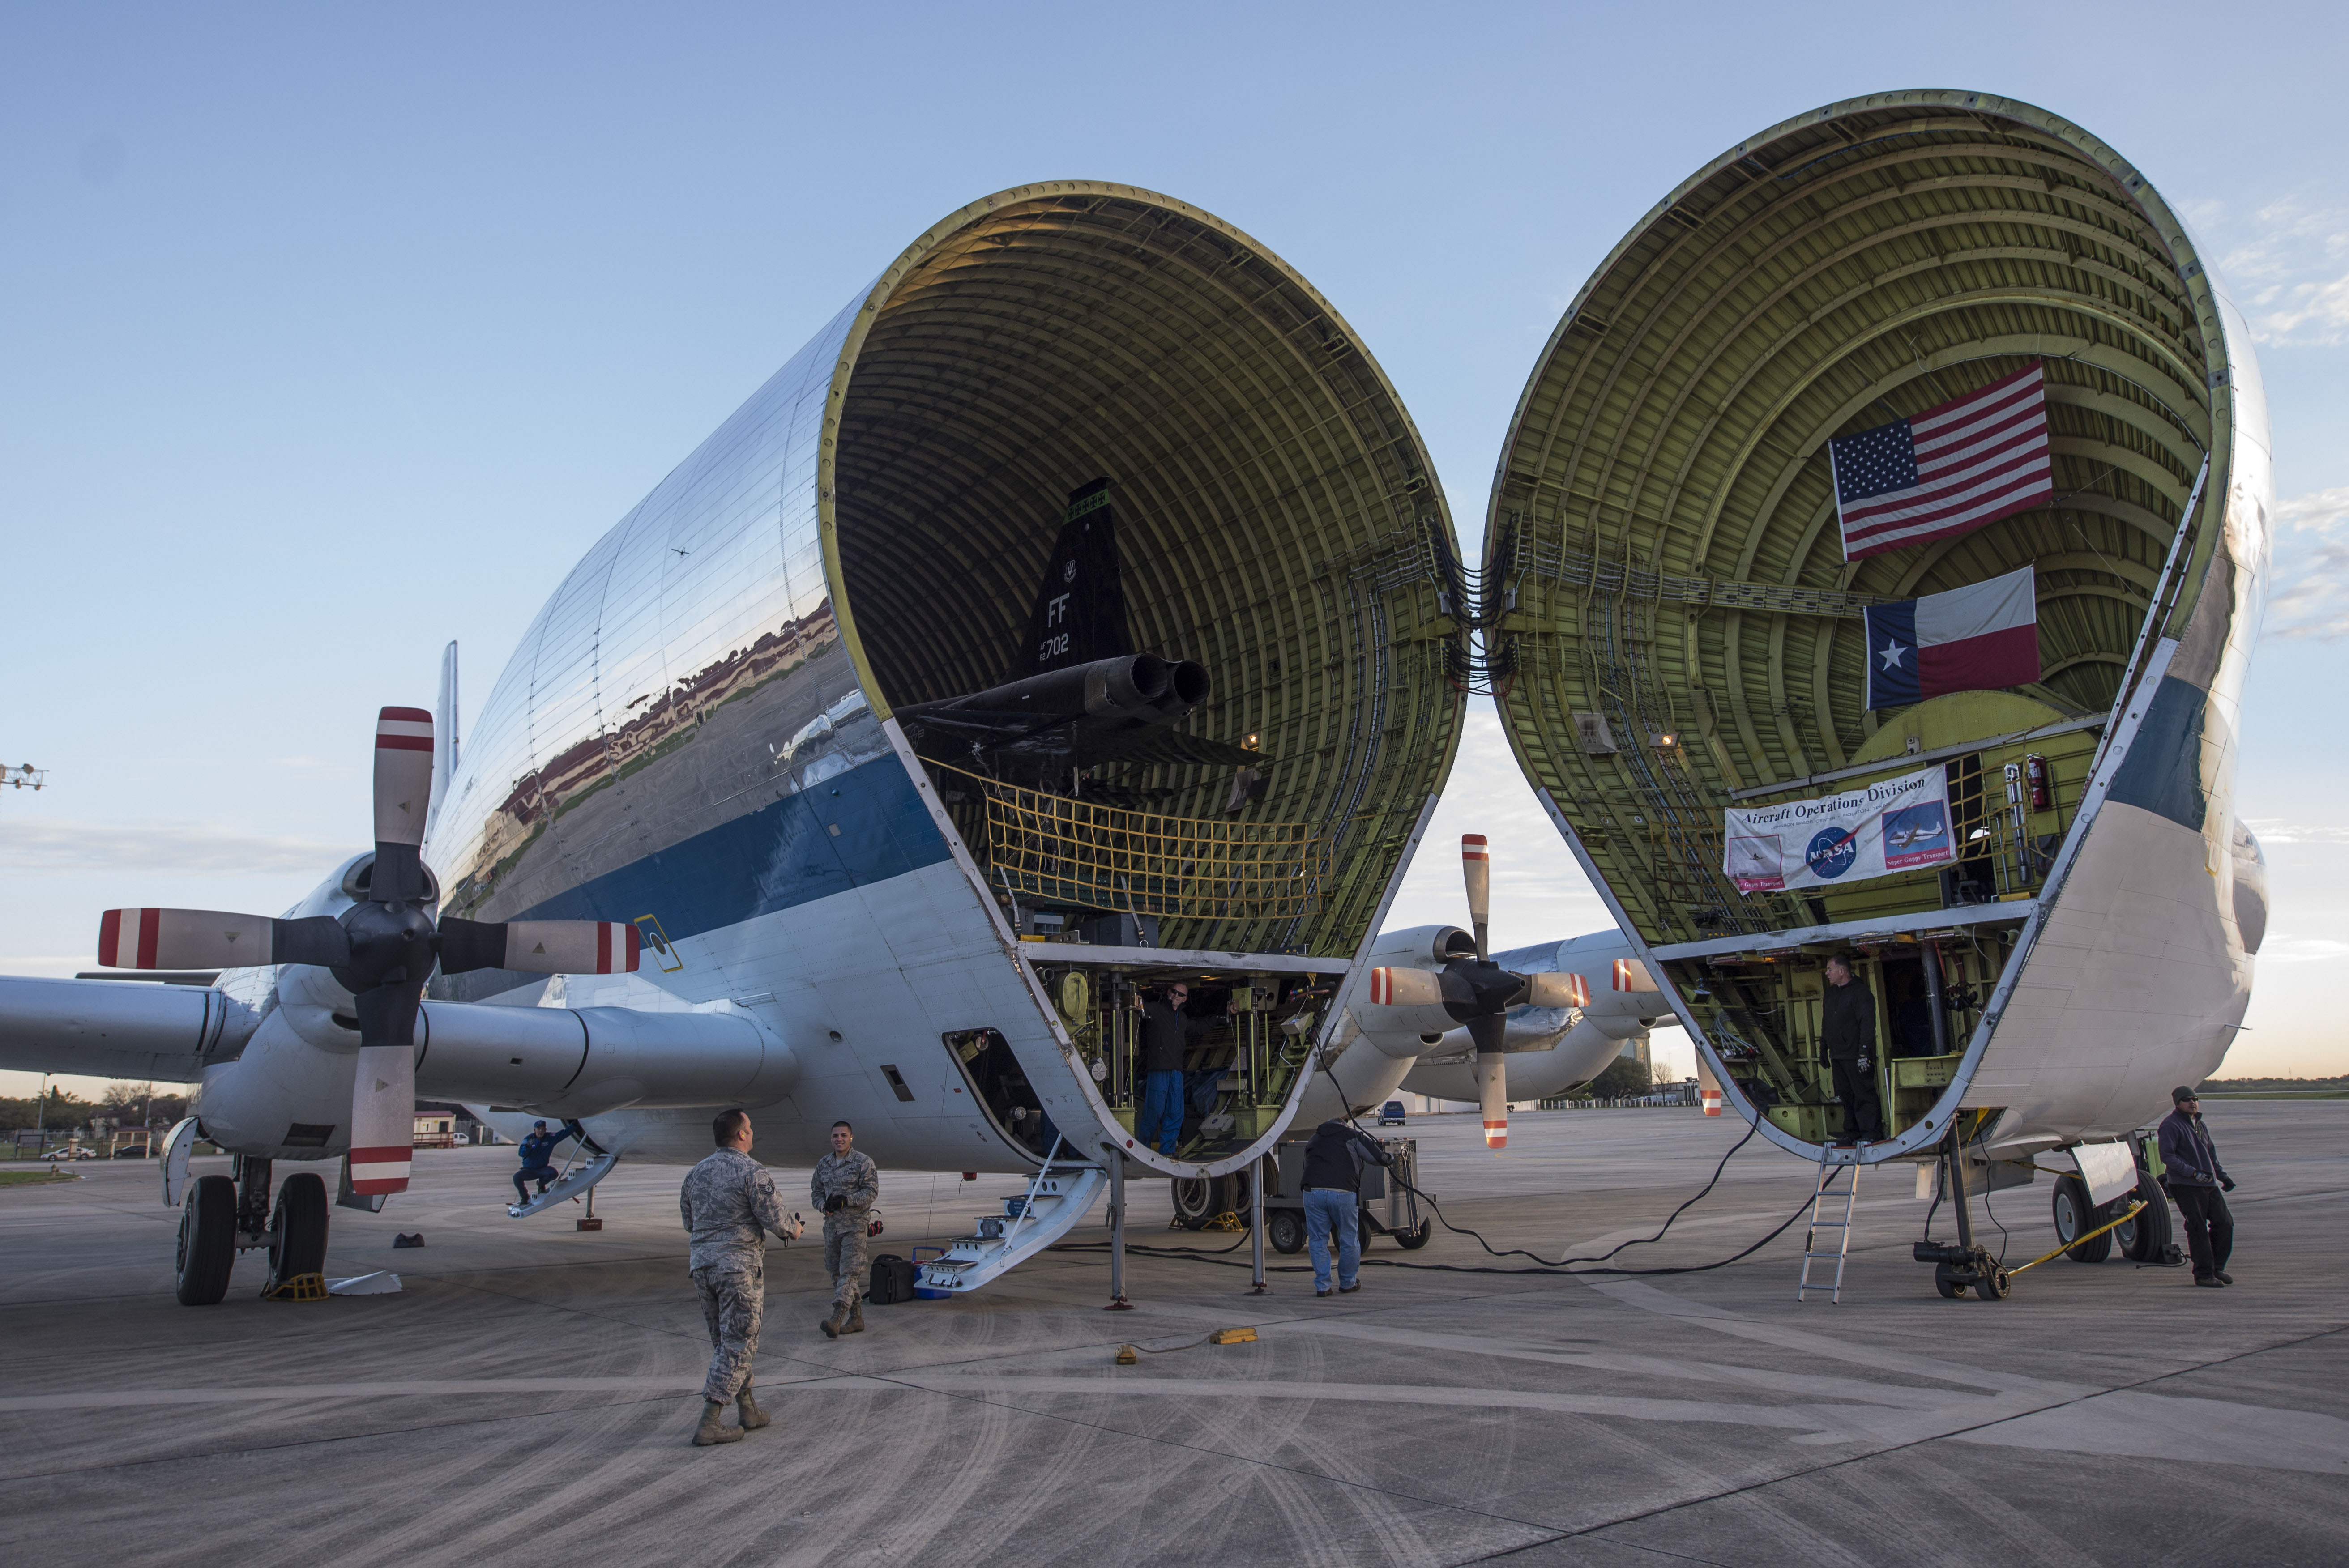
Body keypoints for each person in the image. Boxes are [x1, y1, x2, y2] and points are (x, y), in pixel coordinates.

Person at [678, 1108, 803, 1446]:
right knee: (739, 1342)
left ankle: (747, 1408)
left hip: (703, 1268)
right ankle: (710, 1420)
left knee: (726, 1341)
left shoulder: (696, 1173)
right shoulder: (752, 1171)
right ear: (742, 1135)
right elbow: (777, 1220)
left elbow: (689, 1222)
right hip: (737, 1269)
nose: (752, 1131)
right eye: (750, 1127)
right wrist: (795, 1228)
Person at [1299, 1117, 1395, 1298]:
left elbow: (1306, 1165)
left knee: (1318, 1239)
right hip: (1343, 1191)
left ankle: (1323, 1286)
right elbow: (1376, 1157)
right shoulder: (1352, 1135)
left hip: (1313, 1192)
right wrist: (1391, 1158)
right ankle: (1348, 1282)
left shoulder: (1315, 1138)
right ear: (1344, 1125)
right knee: (1349, 1238)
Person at [1134, 983, 1226, 1156]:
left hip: (1176, 1071)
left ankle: (1167, 1150)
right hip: (1159, 1070)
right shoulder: (1157, 1010)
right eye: (1174, 992)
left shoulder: (1182, 1018)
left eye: (1180, 994)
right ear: (1169, 993)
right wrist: (1136, 996)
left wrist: (1220, 1019)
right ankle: (1142, 1150)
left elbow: (1198, 1028)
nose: (1176, 995)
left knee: (1175, 1112)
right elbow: (1140, 1009)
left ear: (1185, 999)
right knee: (1154, 1110)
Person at [2158, 1086, 2235, 1287]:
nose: (2192, 1102)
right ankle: (2203, 1275)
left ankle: (2217, 1268)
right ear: (2177, 1103)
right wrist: (2192, 1172)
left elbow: (2211, 1155)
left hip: (2208, 1184)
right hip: (2185, 1185)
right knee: (2198, 1228)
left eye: (2195, 1098)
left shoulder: (2200, 1125)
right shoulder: (2170, 1126)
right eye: (2186, 1099)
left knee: (2225, 1223)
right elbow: (2168, 1157)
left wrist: (2223, 1177)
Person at [811, 1120, 880, 1338]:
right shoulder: (824, 1164)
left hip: (855, 1227)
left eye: (843, 1136)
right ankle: (857, 1317)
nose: (839, 1140)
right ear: (831, 1139)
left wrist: (846, 1201)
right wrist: (823, 1206)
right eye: (835, 1136)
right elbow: (816, 1192)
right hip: (832, 1228)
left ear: (851, 1138)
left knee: (849, 1273)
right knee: (835, 1272)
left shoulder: (863, 1162)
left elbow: (872, 1192)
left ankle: (837, 1318)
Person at [1820, 954, 1885, 1143]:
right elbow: (1826, 1023)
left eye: (1830, 969)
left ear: (1842, 971)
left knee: (1863, 1094)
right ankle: (1852, 1132)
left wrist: (1864, 1053)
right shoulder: (1831, 994)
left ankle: (1871, 1133)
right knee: (1846, 1096)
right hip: (1838, 1055)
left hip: (1855, 1055)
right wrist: (1823, 1048)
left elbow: (1867, 1025)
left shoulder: (1861, 993)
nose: (1827, 973)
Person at [510, 1120, 563, 1208]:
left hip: (542, 1170)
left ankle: (541, 1184)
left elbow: (563, 1134)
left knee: (553, 1173)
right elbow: (521, 1153)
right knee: (516, 1178)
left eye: (543, 1129)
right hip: (529, 1170)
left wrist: (575, 1126)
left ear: (545, 1130)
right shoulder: (528, 1139)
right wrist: (528, 1147)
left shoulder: (550, 1137)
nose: (541, 1131)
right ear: (535, 1130)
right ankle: (525, 1197)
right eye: (539, 1129)